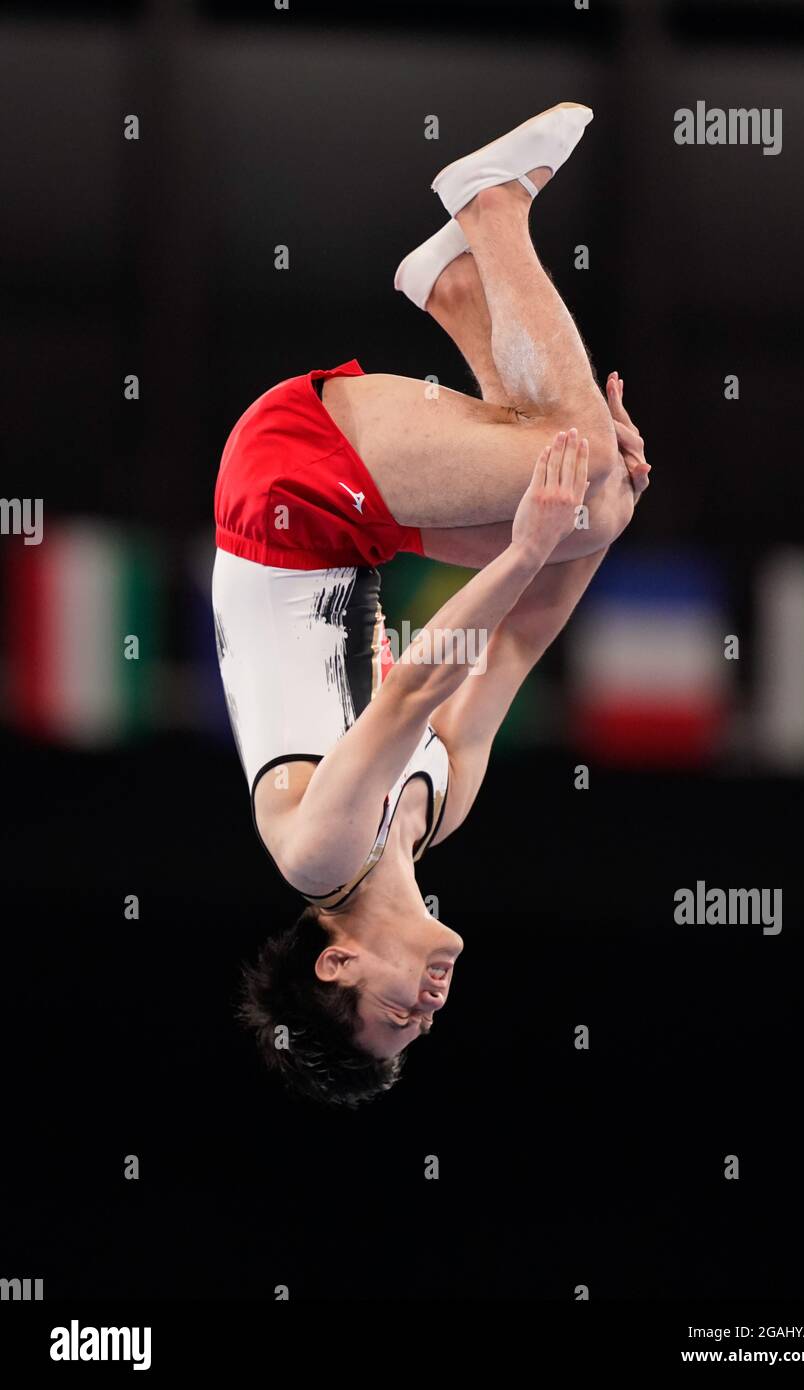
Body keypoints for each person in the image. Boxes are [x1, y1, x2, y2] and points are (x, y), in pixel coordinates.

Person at [212, 104, 651, 1106]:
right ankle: (453, 287)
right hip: (347, 537)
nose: (432, 1002)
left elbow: (414, 686)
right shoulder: (439, 811)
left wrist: (540, 537)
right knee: (599, 492)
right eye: (427, 1022)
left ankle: (486, 204)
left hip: (282, 501)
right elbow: (510, 651)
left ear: (336, 967)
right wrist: (596, 534)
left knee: (570, 484)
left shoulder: (315, 850)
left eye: (398, 1011)